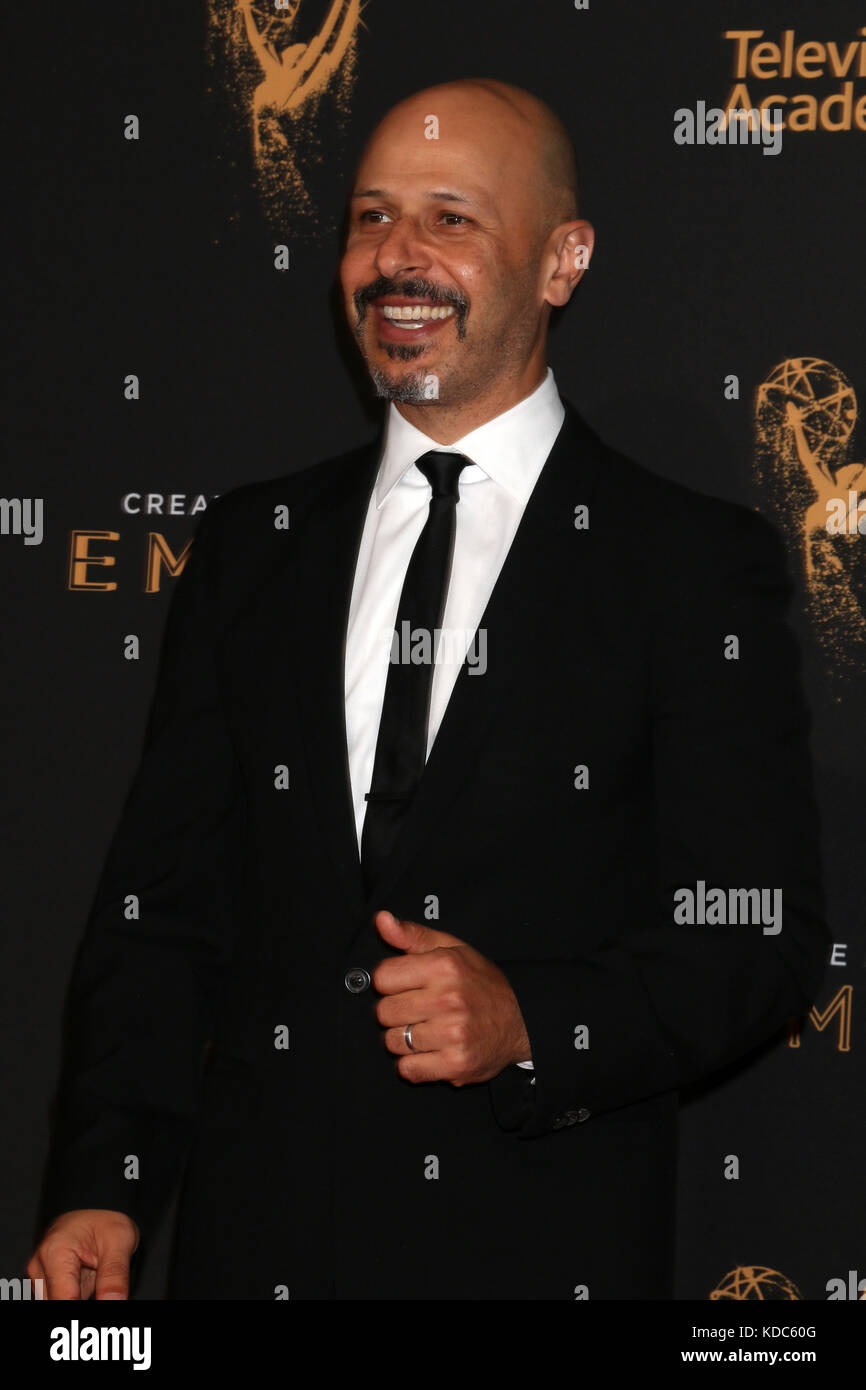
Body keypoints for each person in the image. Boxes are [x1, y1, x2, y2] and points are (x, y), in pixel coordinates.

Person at [30, 78, 828, 1301]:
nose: (393, 259)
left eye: (448, 218)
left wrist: (531, 1024)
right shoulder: (256, 545)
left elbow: (754, 937)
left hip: (532, 1253)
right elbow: (160, 909)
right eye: (367, 218)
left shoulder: (683, 564)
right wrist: (106, 1178)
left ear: (562, 261)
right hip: (255, 1252)